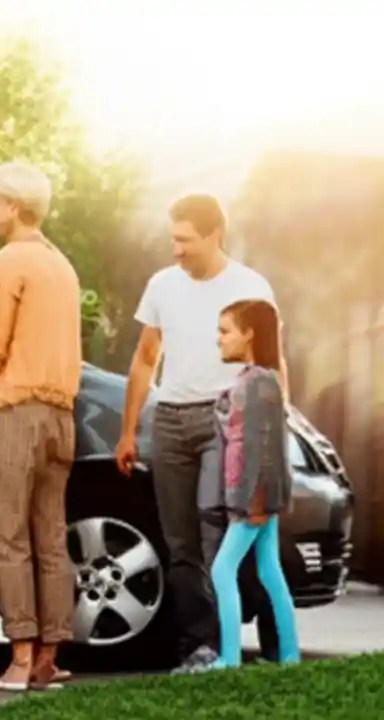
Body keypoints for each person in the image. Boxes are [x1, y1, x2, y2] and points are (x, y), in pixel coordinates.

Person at [115, 193, 289, 673]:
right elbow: (145, 359)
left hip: (225, 421)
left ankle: (267, 646)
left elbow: (273, 359)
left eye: (185, 240)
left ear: (214, 235)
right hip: (170, 420)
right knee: (182, 546)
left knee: (225, 540)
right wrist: (128, 430)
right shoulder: (162, 285)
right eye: (172, 238)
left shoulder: (250, 286)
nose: (176, 249)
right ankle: (200, 649)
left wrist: (277, 428)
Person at [0, 162, 82, 692]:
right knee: (50, 538)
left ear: (12, 204)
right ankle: (49, 656)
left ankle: (20, 658)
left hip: (15, 410)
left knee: (6, 536)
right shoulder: (62, 265)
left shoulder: (10, 260)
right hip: (61, 416)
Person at [207, 299, 300, 669]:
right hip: (257, 495)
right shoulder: (262, 380)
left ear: (248, 334)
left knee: (221, 569)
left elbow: (263, 449)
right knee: (268, 570)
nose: (218, 339)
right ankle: (289, 655)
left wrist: (256, 501)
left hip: (253, 498)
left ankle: (228, 658)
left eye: (225, 330)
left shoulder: (257, 383)